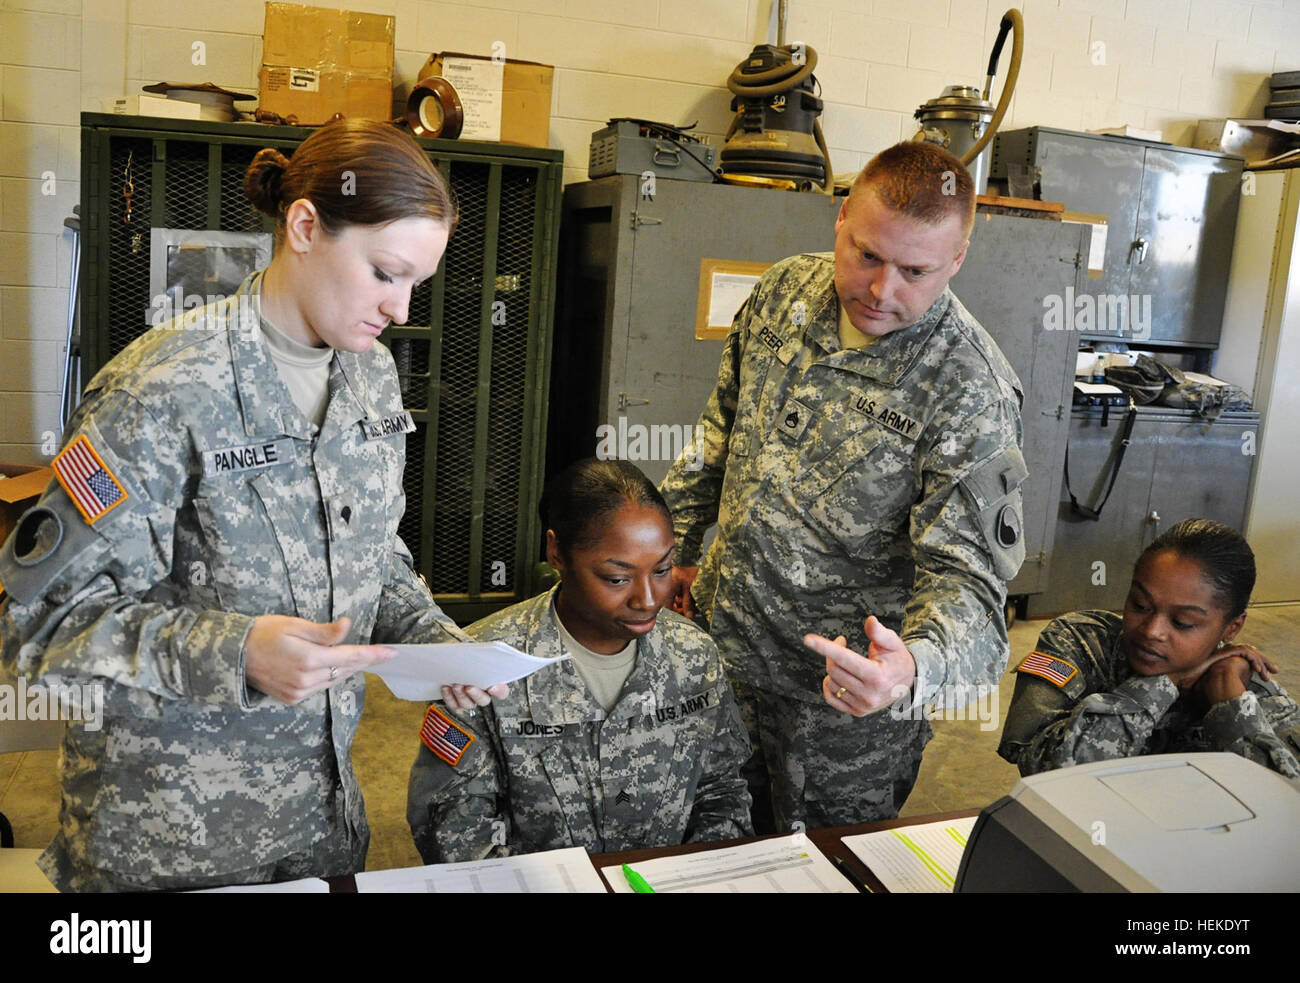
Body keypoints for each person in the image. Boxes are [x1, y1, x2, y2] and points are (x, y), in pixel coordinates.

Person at [0, 119, 502, 892]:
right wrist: (236, 653)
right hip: (170, 847)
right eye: (384, 273)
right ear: (304, 225)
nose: (401, 310)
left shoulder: (368, 377)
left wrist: (437, 642)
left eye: (414, 285)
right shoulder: (161, 391)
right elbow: (39, 627)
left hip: (323, 829)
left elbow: (373, 550)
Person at [659, 141, 1027, 832]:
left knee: (819, 872)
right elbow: (721, 429)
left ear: (957, 259)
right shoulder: (782, 293)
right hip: (720, 661)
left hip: (838, 719)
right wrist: (671, 547)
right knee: (696, 852)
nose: (883, 290)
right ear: (840, 221)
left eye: (916, 270)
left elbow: (973, 584)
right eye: (867, 255)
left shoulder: (968, 389)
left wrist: (911, 668)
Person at [407, 458, 753, 861]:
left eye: (661, 570)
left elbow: (724, 791)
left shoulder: (694, 655)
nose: (647, 599)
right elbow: (452, 831)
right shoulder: (483, 665)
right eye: (617, 578)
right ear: (557, 551)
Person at [999, 519, 1299, 778]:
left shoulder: (1249, 686)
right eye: (1140, 605)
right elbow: (1040, 767)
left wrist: (1229, 702)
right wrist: (1164, 684)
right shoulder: (1081, 643)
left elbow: (1284, 805)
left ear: (1232, 628)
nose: (1151, 631)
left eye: (1182, 622)